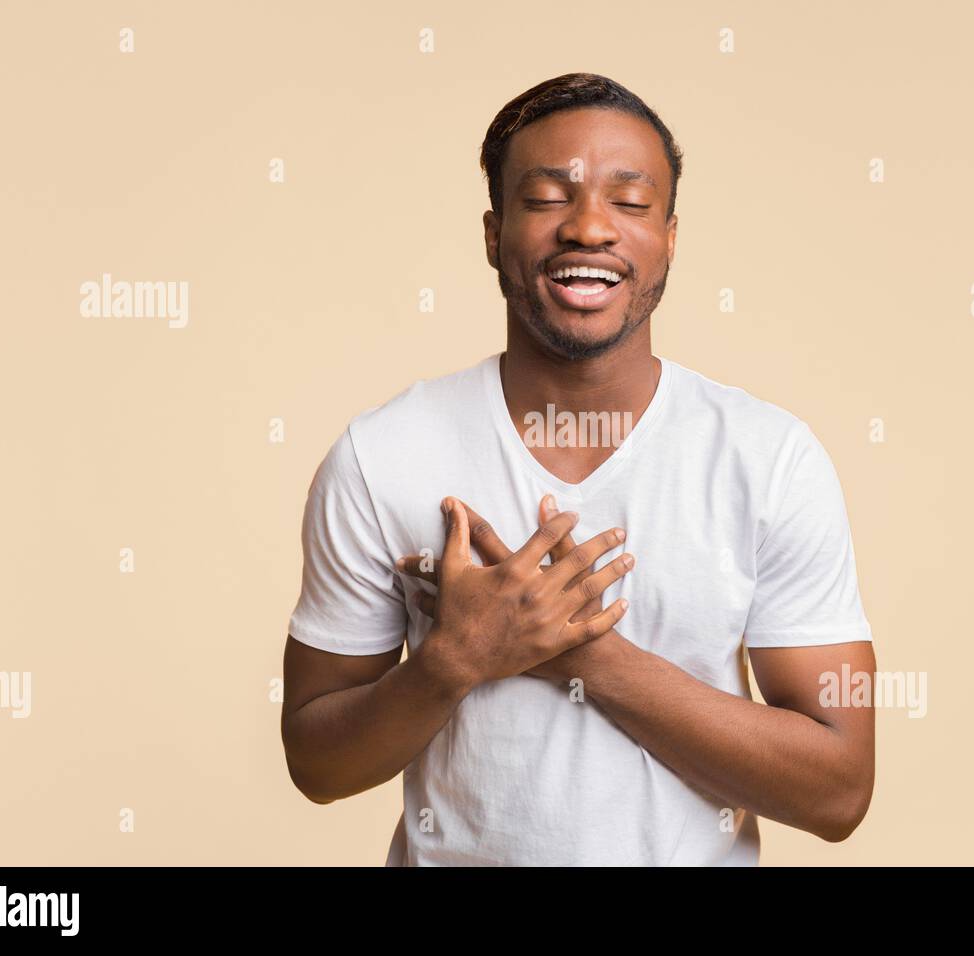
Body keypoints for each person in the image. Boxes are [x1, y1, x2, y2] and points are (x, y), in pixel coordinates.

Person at [280, 73, 876, 865]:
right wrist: (454, 660)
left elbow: (837, 791)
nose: (590, 227)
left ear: (668, 236)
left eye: (629, 204)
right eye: (547, 197)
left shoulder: (769, 459)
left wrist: (581, 652)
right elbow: (317, 764)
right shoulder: (382, 455)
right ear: (493, 234)